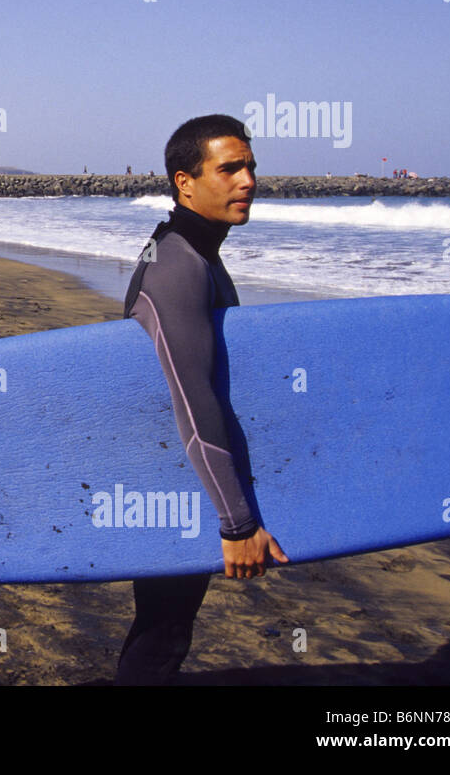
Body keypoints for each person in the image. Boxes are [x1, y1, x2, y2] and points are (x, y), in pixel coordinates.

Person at [117, 114, 288, 685]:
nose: (248, 181)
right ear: (184, 182)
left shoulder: (198, 251)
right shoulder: (177, 265)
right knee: (163, 632)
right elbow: (193, 399)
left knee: (166, 628)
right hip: (172, 478)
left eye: (251, 167)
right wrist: (238, 524)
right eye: (230, 168)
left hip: (180, 471)